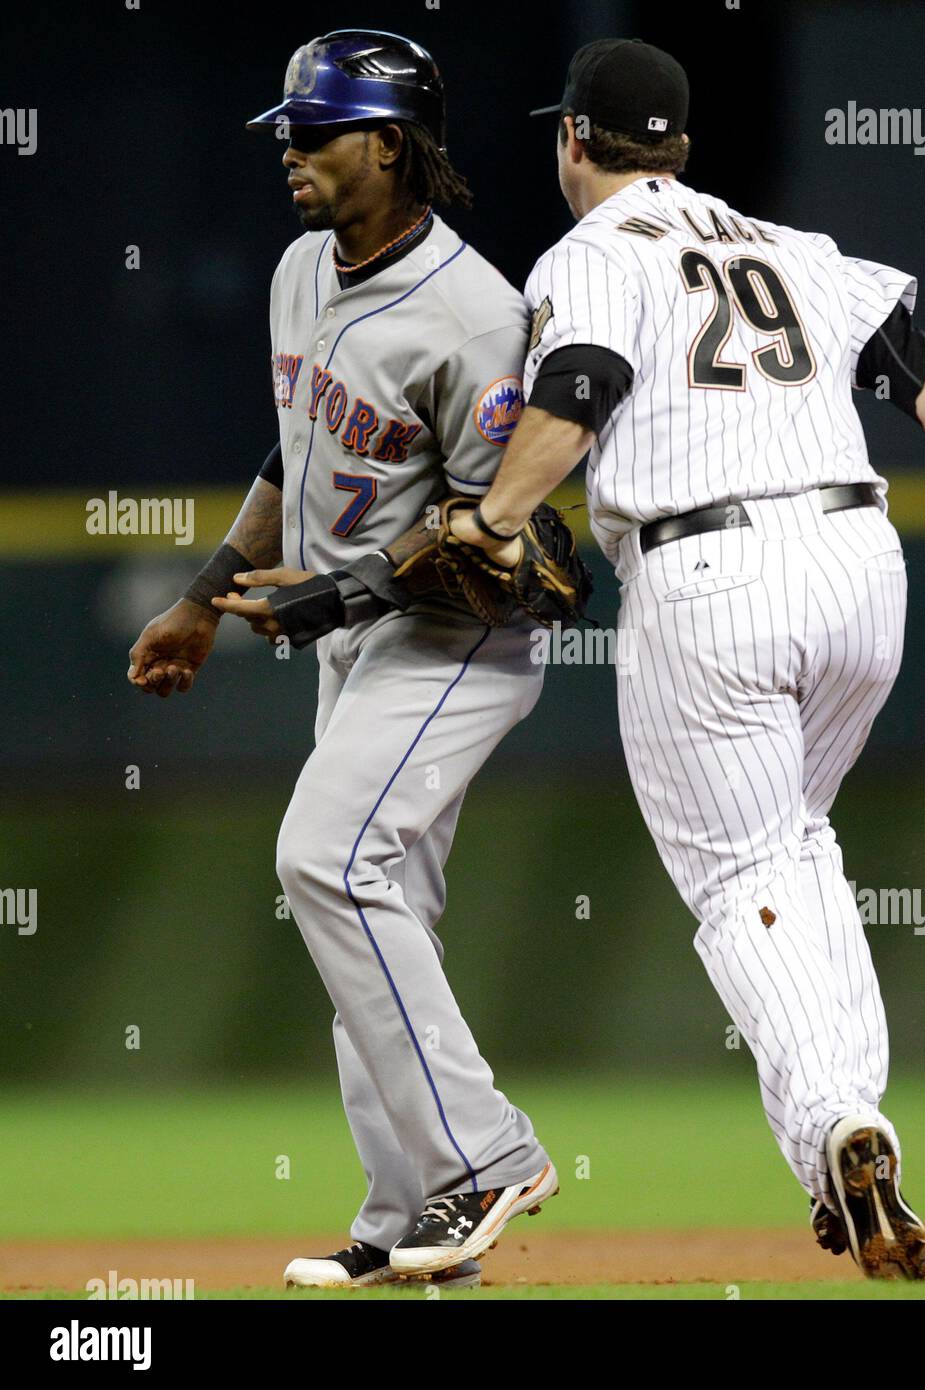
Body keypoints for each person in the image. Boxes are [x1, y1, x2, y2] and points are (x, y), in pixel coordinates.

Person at [445, 37, 925, 1279]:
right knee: (797, 845)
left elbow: (578, 385)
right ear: (678, 147)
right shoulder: (790, 247)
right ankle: (847, 1142)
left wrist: (490, 514)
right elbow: (913, 365)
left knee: (743, 870)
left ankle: (838, 1124)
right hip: (859, 563)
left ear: (574, 140)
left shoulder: (588, 254)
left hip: (712, 572)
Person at [126, 30, 558, 1290]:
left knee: (322, 858)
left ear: (389, 144)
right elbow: (292, 454)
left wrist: (335, 595)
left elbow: (493, 531)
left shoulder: (476, 313)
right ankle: (415, 1215)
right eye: (287, 131)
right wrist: (206, 596)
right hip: (351, 643)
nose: (291, 151)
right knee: (373, 916)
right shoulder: (299, 269)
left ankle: (485, 1155)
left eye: (315, 132)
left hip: (456, 638)